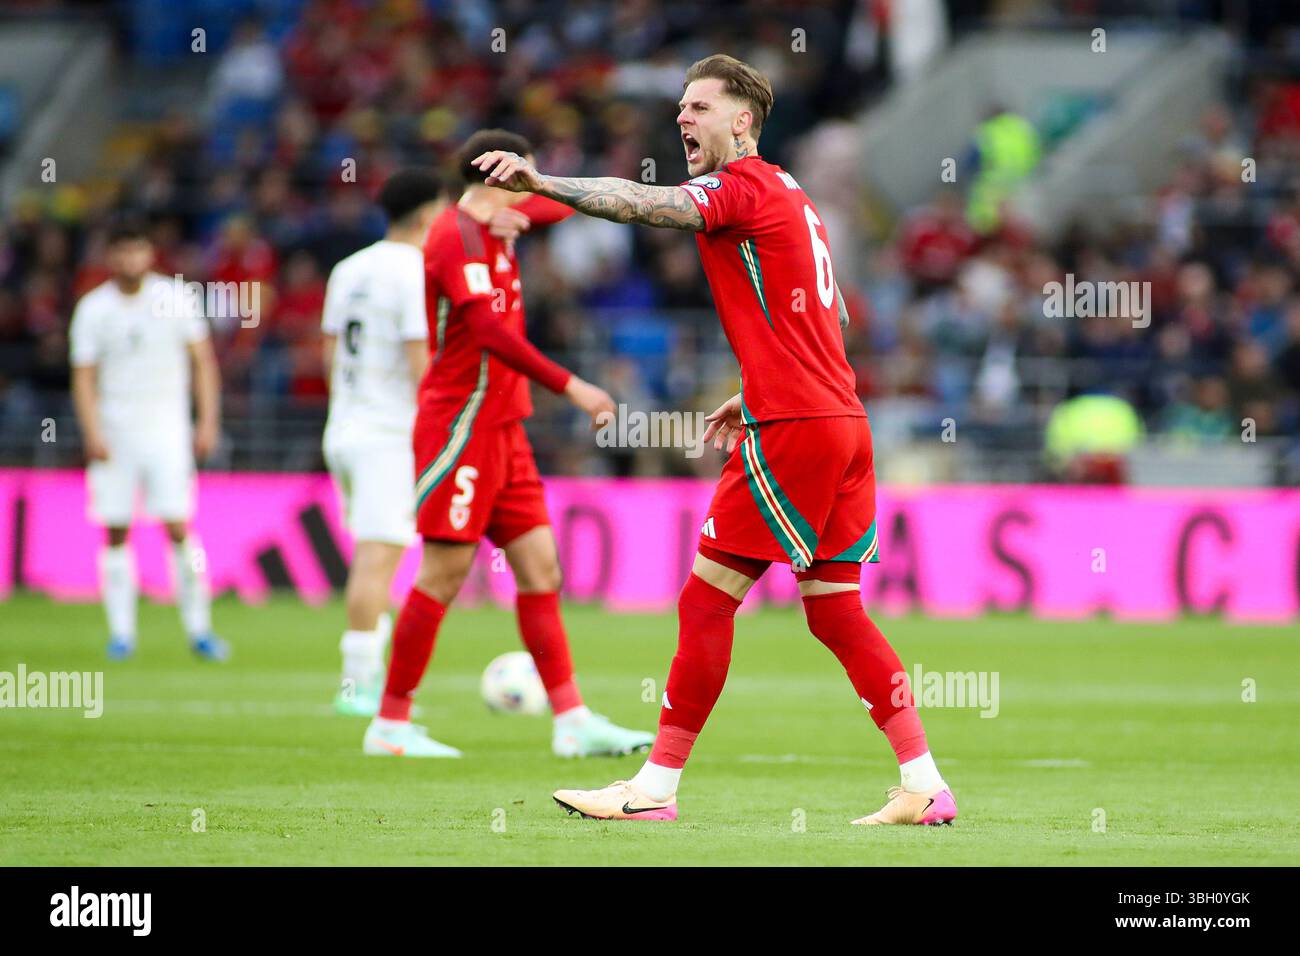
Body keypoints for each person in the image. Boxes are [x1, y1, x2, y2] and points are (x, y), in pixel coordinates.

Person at [473, 55, 956, 824]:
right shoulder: (792, 195)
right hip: (839, 419)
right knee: (835, 610)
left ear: (743, 121)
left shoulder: (738, 189)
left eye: (699, 107)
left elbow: (639, 203)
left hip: (796, 428)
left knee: (705, 602)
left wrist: (542, 182)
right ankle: (925, 783)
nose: (682, 119)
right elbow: (831, 318)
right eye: (681, 107)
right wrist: (757, 384)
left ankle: (652, 790)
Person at [362, 130, 654, 759]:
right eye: (525, 170)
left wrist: (585, 189)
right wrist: (571, 384)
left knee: (540, 568)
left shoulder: (502, 220)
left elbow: (561, 204)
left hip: (504, 430)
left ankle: (571, 720)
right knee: (443, 573)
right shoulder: (452, 235)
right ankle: (389, 723)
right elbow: (488, 331)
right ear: (498, 171)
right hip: (460, 426)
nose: (533, 181)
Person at [320, 169, 447, 715]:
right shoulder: (415, 270)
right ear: (425, 214)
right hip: (388, 433)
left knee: (373, 556)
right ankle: (358, 688)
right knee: (378, 558)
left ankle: (370, 680)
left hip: (345, 428)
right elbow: (421, 361)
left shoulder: (348, 268)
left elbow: (328, 351)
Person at [70, 219, 226, 661]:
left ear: (149, 253)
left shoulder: (175, 298)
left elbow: (203, 363)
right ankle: (122, 633)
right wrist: (92, 430)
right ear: (110, 257)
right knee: (115, 530)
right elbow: (83, 377)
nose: (128, 260)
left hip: (167, 432)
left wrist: (208, 421)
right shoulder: (93, 309)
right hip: (115, 434)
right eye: (120, 251)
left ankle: (200, 628)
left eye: (135, 250)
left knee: (179, 527)